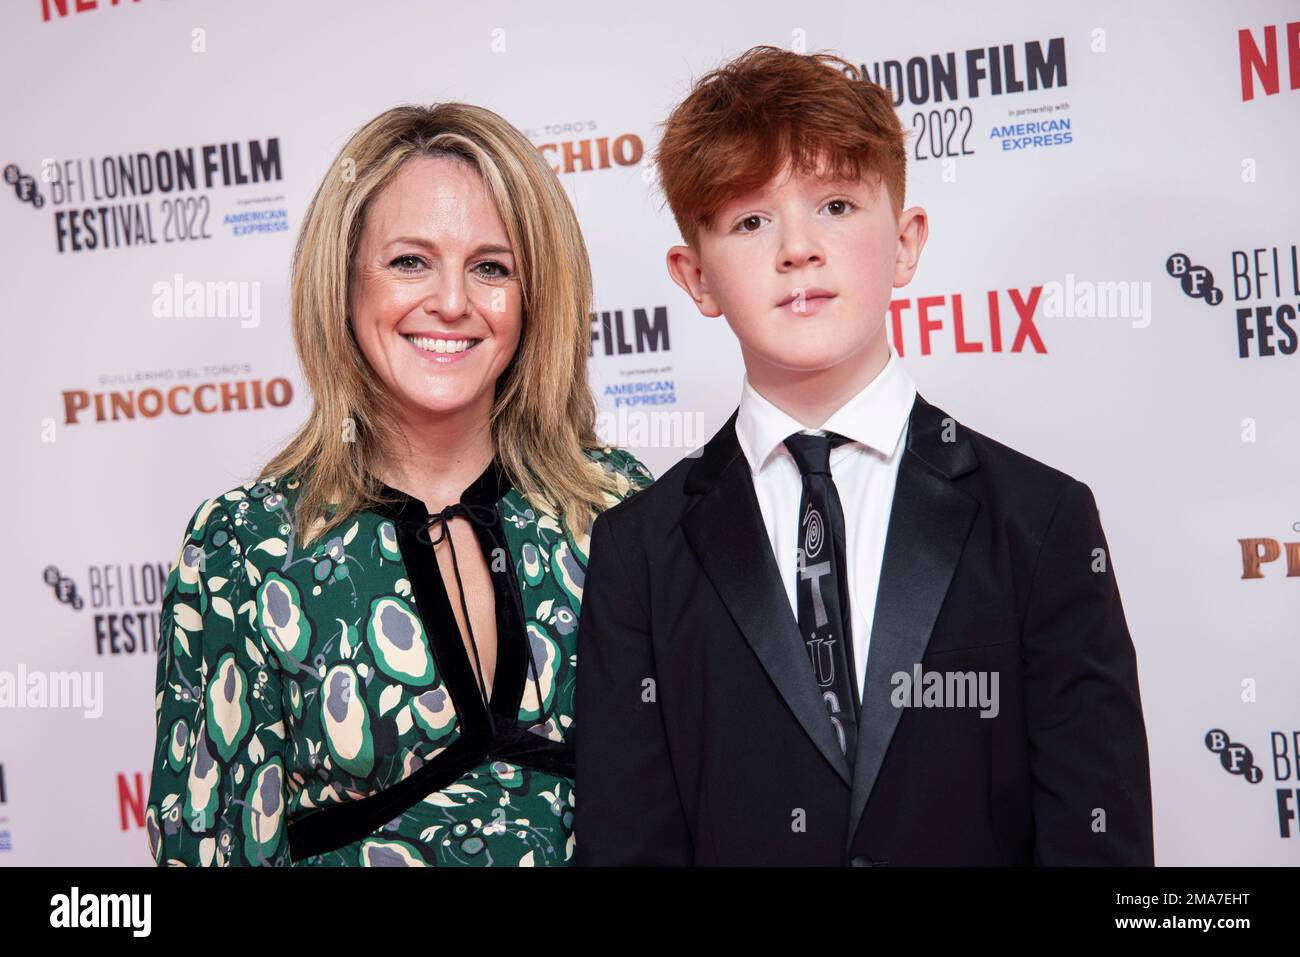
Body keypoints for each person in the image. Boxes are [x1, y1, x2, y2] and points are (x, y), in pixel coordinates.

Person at [574, 46, 1154, 866]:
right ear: (695, 276)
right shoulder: (639, 549)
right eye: (750, 221)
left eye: (838, 205)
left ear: (907, 242)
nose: (797, 248)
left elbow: (1101, 845)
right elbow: (630, 846)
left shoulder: (1041, 519)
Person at [145, 103, 653, 866]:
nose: (452, 301)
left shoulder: (612, 504)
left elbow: (687, 799)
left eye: (492, 267)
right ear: (344, 281)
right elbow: (210, 846)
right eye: (410, 261)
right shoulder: (244, 545)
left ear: (536, 296)